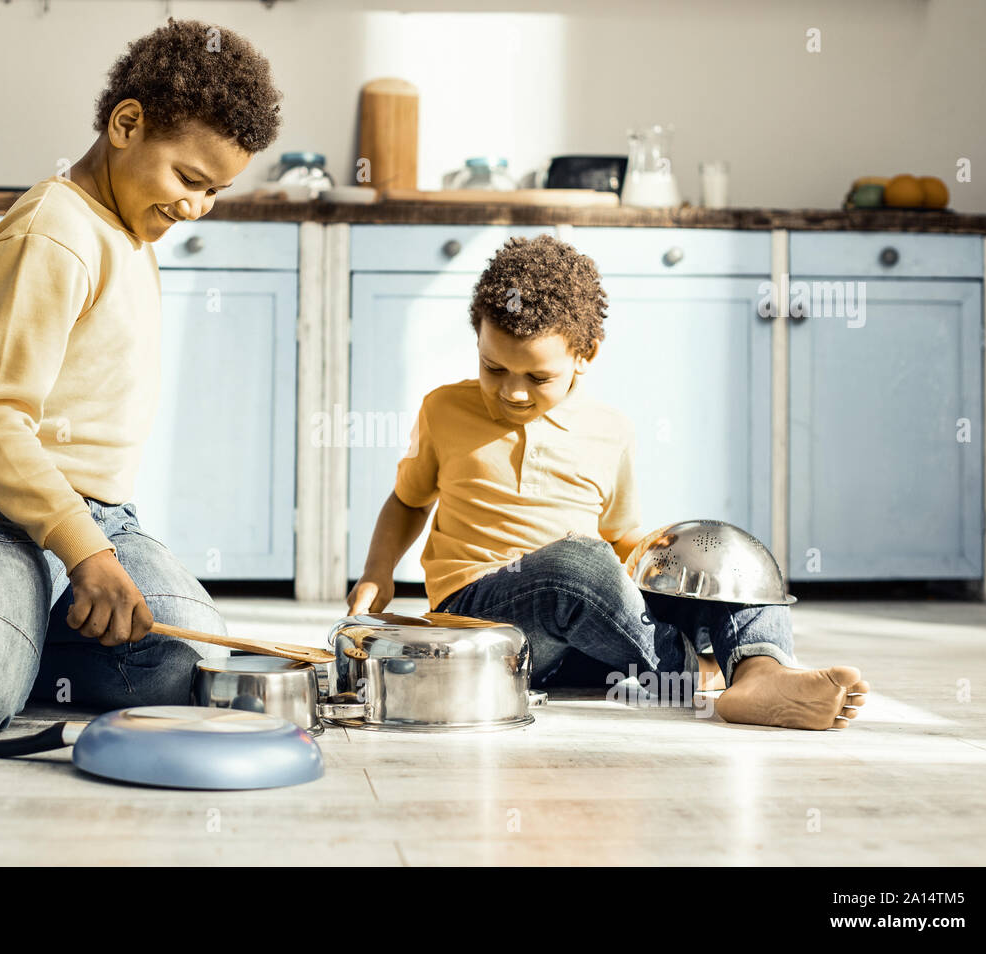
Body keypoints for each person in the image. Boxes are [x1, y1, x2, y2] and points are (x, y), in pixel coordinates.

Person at [0, 19, 282, 737]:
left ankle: (11, 635)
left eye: (216, 192)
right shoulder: (52, 234)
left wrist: (92, 544)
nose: (196, 207)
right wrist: (84, 552)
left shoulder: (132, 226)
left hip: (99, 515)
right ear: (127, 123)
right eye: (189, 179)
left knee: (186, 662)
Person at [347, 235, 869, 730]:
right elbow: (408, 500)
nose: (514, 392)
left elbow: (624, 541)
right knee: (576, 564)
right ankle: (694, 670)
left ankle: (761, 671)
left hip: (589, 644)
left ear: (586, 355)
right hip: (484, 624)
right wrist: (378, 572)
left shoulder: (611, 430)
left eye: (538, 377)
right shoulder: (443, 409)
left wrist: (688, 572)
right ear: (478, 342)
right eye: (493, 367)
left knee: (723, 551)